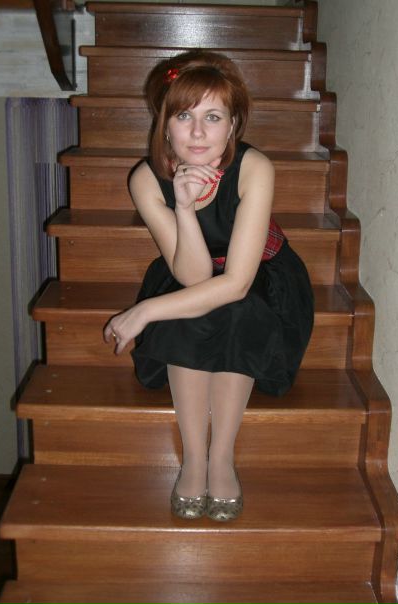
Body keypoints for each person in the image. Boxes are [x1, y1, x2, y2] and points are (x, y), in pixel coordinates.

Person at [103, 50, 314, 522]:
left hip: (260, 276)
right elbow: (195, 278)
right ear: (165, 125)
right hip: (190, 268)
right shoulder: (146, 179)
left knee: (236, 310)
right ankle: (194, 458)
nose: (198, 133)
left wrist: (143, 311)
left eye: (213, 117)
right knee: (189, 307)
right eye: (184, 116)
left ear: (233, 124)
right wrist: (183, 206)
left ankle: (222, 457)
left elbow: (235, 283)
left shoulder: (255, 167)